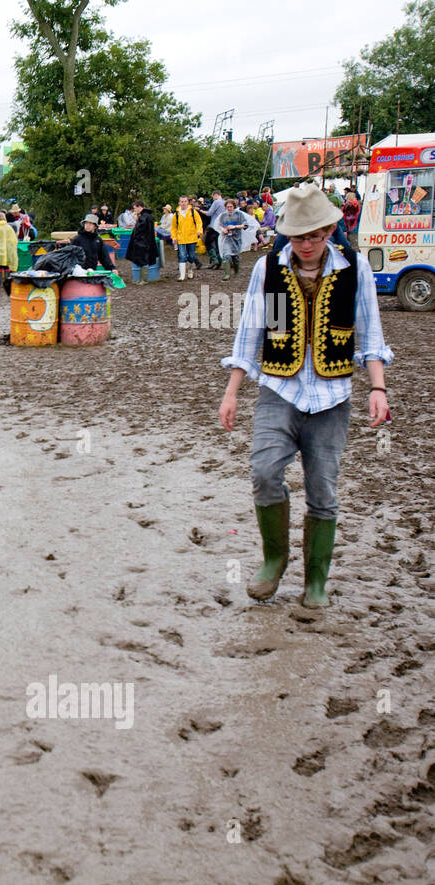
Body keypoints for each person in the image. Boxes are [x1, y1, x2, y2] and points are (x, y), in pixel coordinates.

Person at [218, 183, 393, 609]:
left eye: (316, 235)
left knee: (323, 491)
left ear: (331, 228)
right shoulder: (269, 269)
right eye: (299, 236)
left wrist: (378, 387)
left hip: (333, 395)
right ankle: (274, 559)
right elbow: (250, 333)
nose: (308, 244)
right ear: (288, 235)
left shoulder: (355, 268)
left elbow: (370, 334)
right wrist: (232, 392)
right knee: (263, 472)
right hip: (279, 389)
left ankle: (315, 581)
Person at [125, 202, 160, 284]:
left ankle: (143, 280)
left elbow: (140, 229)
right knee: (142, 260)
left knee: (143, 260)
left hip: (143, 242)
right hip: (145, 241)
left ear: (139, 207)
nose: (134, 210)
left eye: (135, 208)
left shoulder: (144, 217)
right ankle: (141, 279)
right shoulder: (146, 215)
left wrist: (136, 220)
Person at [170, 195, 203, 280]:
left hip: (192, 237)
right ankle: (182, 275)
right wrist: (174, 237)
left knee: (192, 256)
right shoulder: (176, 214)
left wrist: (199, 230)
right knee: (182, 256)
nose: (183, 203)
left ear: (187, 202)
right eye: (181, 201)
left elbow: (199, 222)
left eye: (185, 201)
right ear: (179, 203)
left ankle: (190, 270)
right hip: (181, 238)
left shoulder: (193, 211)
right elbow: (173, 227)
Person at [215, 198, 249, 281]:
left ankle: (236, 272)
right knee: (226, 255)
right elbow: (220, 225)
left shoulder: (239, 214)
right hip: (226, 238)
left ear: (234, 206)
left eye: (231, 206)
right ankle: (227, 274)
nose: (229, 208)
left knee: (235, 256)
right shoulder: (223, 215)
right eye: (227, 207)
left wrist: (235, 227)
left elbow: (245, 225)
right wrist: (223, 229)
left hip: (236, 238)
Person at [204, 191, 226, 270]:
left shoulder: (216, 202)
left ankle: (214, 260)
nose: (212, 198)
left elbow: (209, 213)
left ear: (216, 195)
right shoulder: (225, 202)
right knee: (218, 244)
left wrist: (201, 211)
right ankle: (219, 263)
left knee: (207, 242)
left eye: (212, 196)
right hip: (222, 227)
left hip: (214, 226)